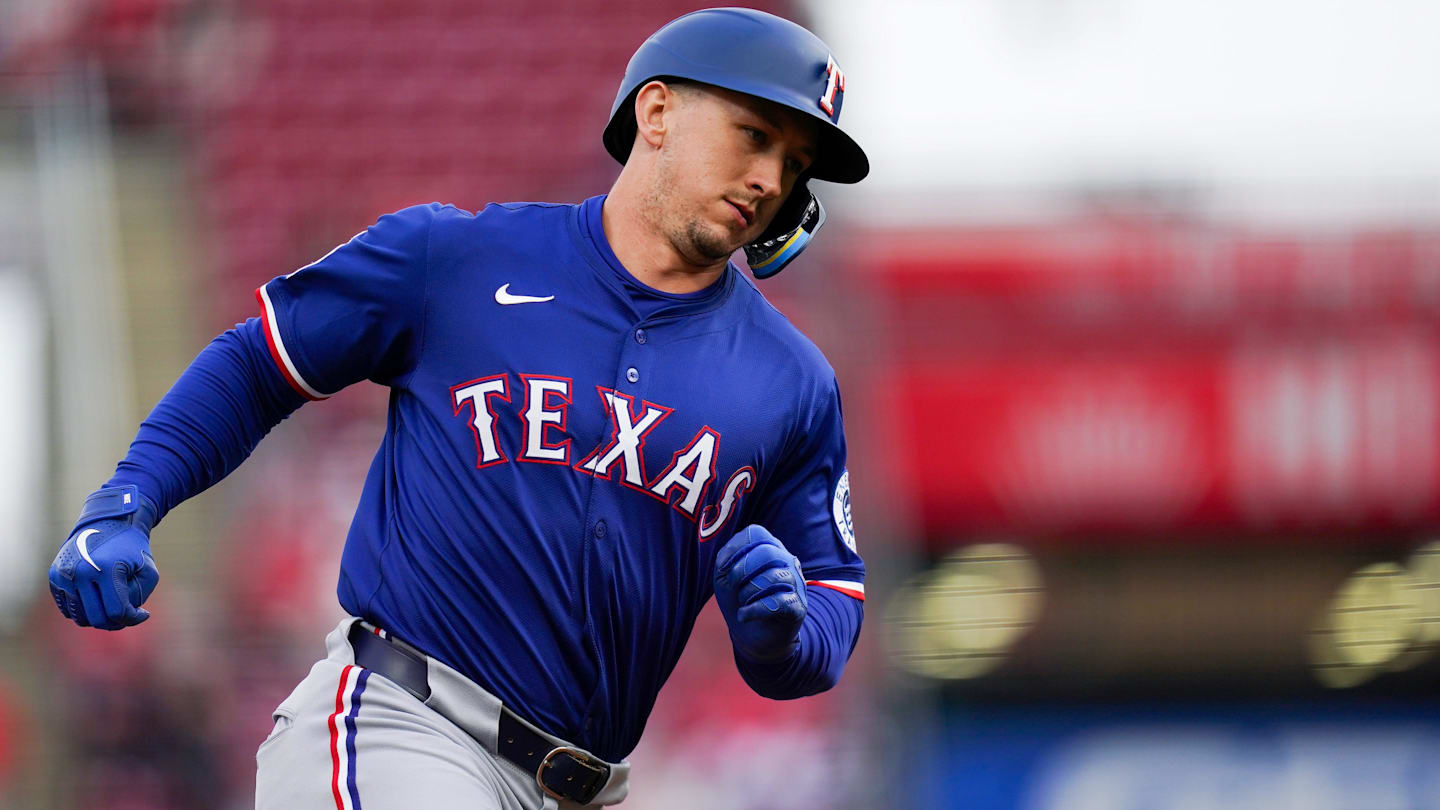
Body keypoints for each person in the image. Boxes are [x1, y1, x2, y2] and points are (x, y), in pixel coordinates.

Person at [47, 8, 868, 809]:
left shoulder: (791, 382)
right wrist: (130, 498)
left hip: (591, 784)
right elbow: (263, 361)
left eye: (796, 164)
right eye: (754, 136)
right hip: (406, 726)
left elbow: (835, 594)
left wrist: (785, 635)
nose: (770, 179)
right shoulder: (457, 259)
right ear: (656, 111)